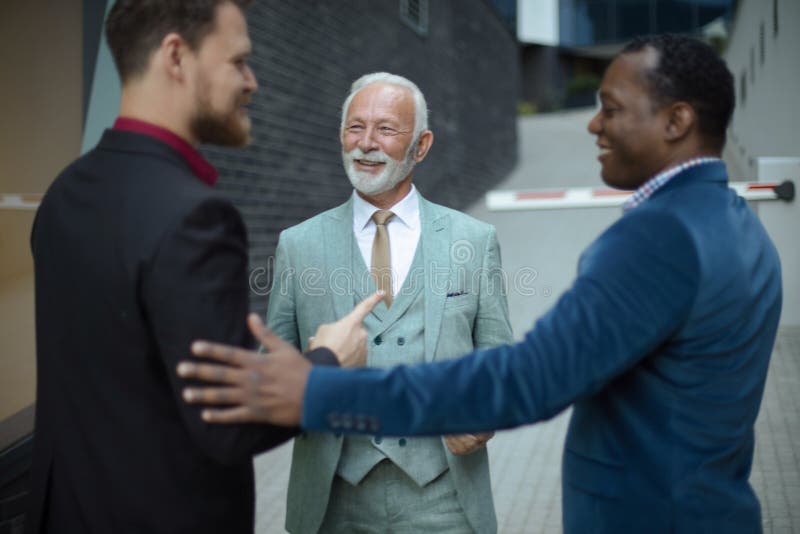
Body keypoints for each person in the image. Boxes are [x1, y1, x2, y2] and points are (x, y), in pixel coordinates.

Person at [179, 35, 783, 532]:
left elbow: (527, 377)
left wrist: (320, 391)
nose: (594, 124)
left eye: (613, 107)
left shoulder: (660, 236)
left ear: (677, 120)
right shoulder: (740, 228)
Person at [26, 1, 379, 533]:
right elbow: (226, 424)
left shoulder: (64, 194)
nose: (252, 81)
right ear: (176, 56)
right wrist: (328, 363)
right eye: (238, 61)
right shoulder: (195, 217)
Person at [263, 72, 513, 533]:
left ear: (421, 145)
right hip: (333, 498)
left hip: (445, 497)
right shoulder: (298, 245)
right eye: (355, 127)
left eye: (386, 129)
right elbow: (271, 374)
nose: (366, 143)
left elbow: (498, 356)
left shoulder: (473, 241)